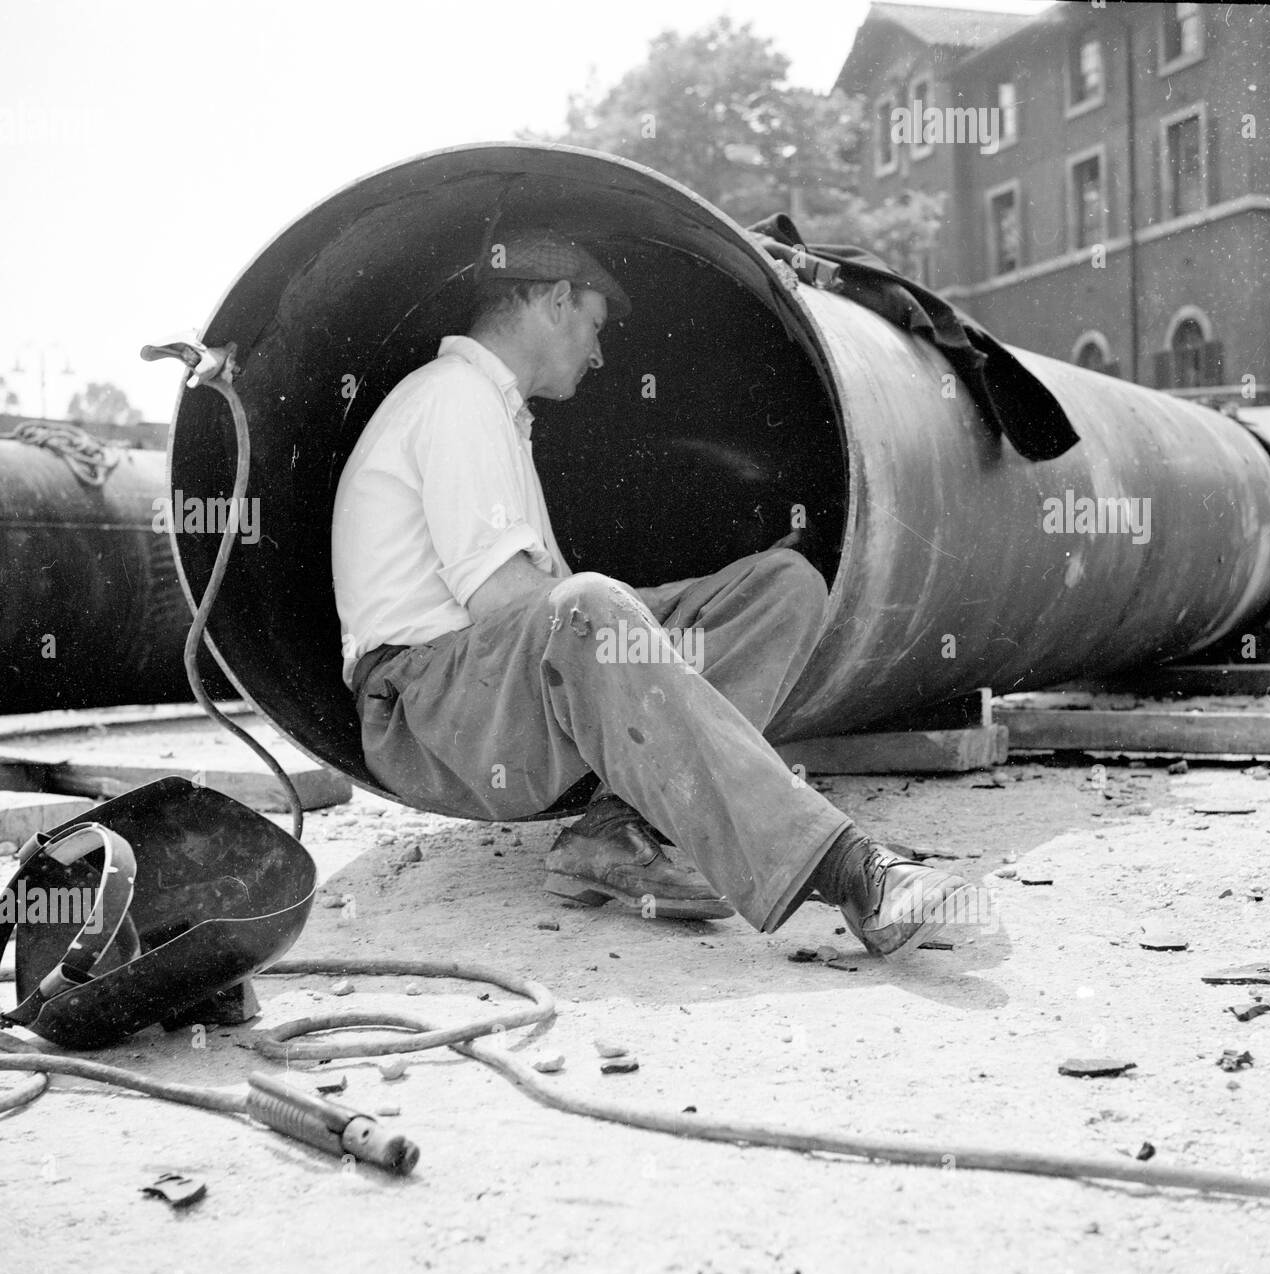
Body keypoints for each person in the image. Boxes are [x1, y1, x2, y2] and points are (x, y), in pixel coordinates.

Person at [331, 229, 980, 955]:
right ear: (555, 300)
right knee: (591, 608)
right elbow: (508, 602)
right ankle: (850, 872)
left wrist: (695, 600)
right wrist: (641, 624)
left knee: (779, 588)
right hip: (424, 708)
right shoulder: (455, 395)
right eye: (595, 324)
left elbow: (550, 613)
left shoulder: (495, 411)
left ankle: (615, 827)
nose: (599, 354)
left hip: (484, 683)